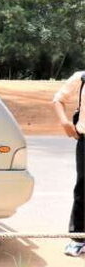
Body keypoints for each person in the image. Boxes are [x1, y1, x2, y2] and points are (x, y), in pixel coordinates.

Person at [51, 70, 85, 257]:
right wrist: (65, 122)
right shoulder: (81, 77)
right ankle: (78, 239)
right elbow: (58, 99)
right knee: (83, 189)